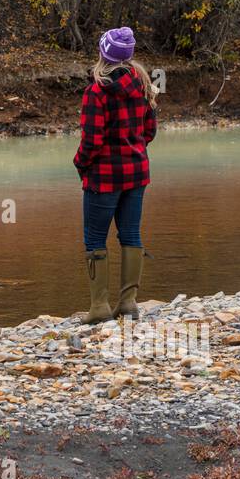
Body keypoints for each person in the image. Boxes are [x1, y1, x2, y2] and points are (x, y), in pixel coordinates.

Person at [73, 26, 158, 323]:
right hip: (136, 173)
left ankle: (99, 308)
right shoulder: (144, 85)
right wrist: (132, 149)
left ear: (103, 54)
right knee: (131, 234)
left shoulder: (96, 92)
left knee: (95, 237)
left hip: (104, 176)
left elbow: (92, 141)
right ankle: (128, 304)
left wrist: (80, 164)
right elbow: (149, 132)